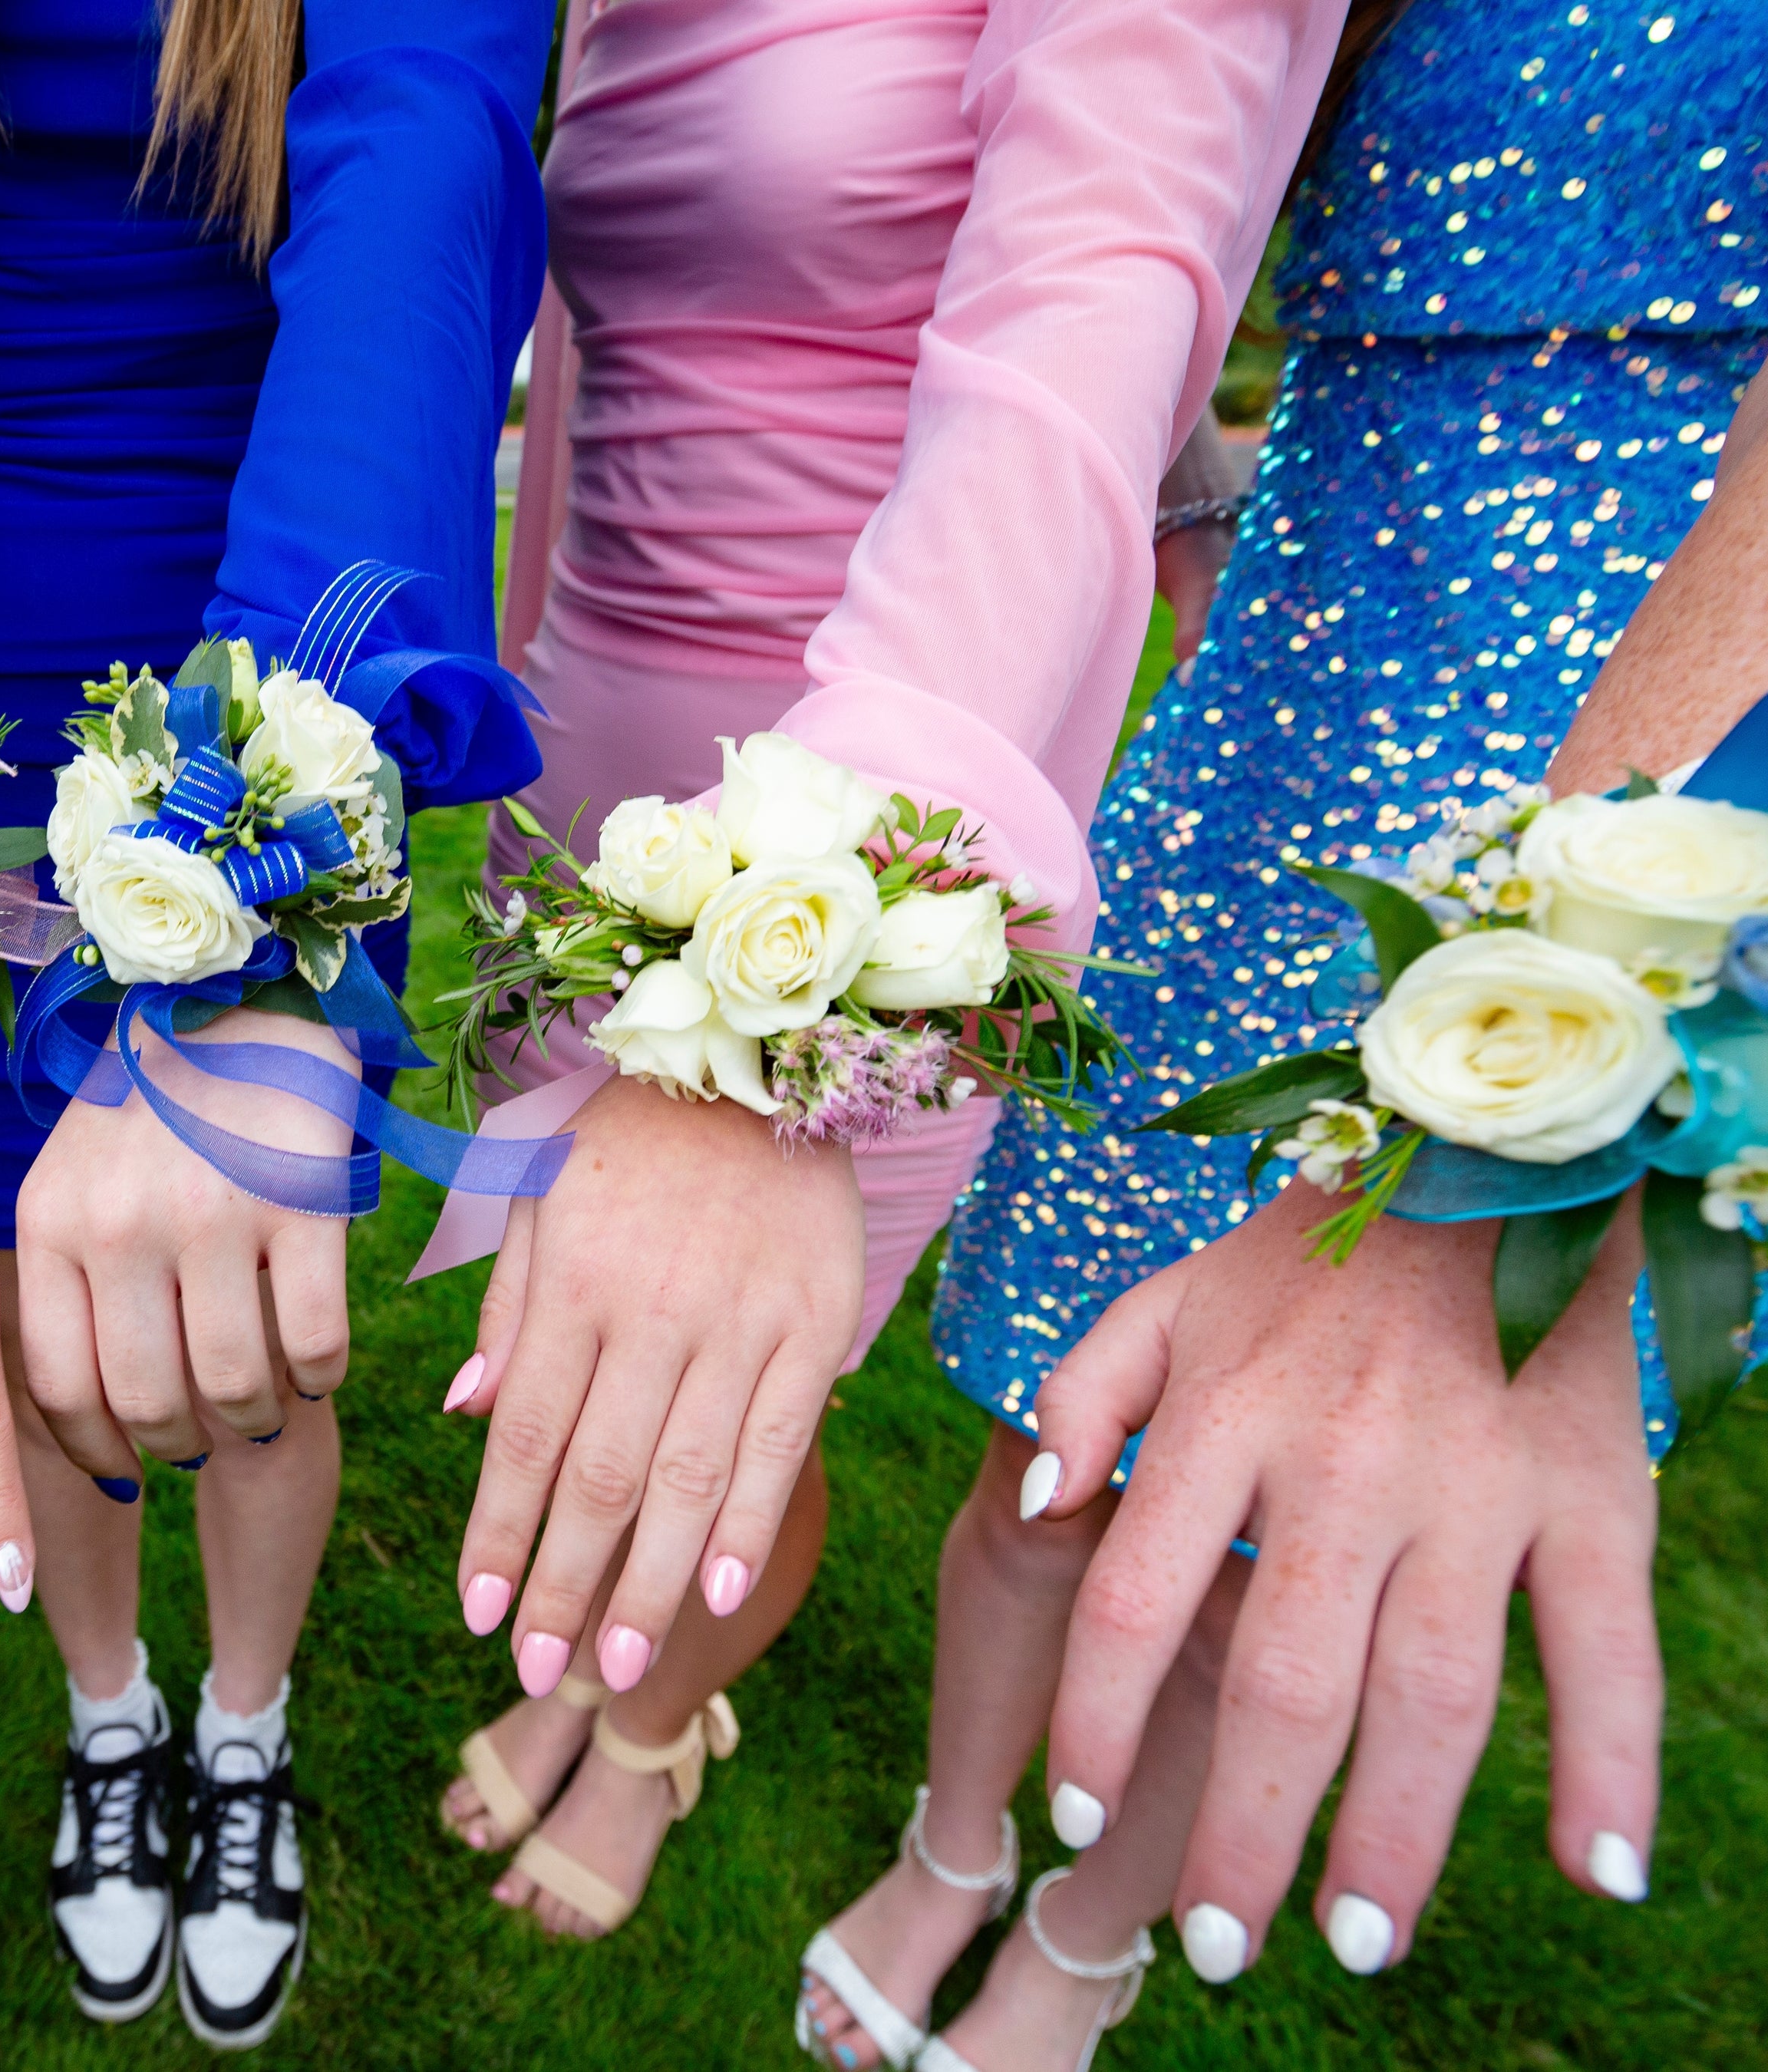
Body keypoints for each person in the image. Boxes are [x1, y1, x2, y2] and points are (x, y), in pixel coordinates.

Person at [803, 3, 1768, 2064]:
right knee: (1047, 1434)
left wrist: (1584, 978)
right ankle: (956, 1842)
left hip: (1645, 783)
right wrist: (1196, 492)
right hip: (1268, 765)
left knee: (1288, 1523)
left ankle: (1086, 1936)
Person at [0, 0, 548, 2044]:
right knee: (7, 1270)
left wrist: (259, 804)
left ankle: (243, 1727)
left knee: (237, 1285)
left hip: (264, 596)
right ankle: (115, 1716)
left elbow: (423, 181)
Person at [436, 0, 1341, 1972]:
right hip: (591, 752)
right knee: (577, 1313)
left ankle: (654, 1723)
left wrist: (819, 956)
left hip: (892, 785)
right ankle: (594, 1666)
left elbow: (1087, 314)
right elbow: (597, 369)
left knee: (758, 1380)